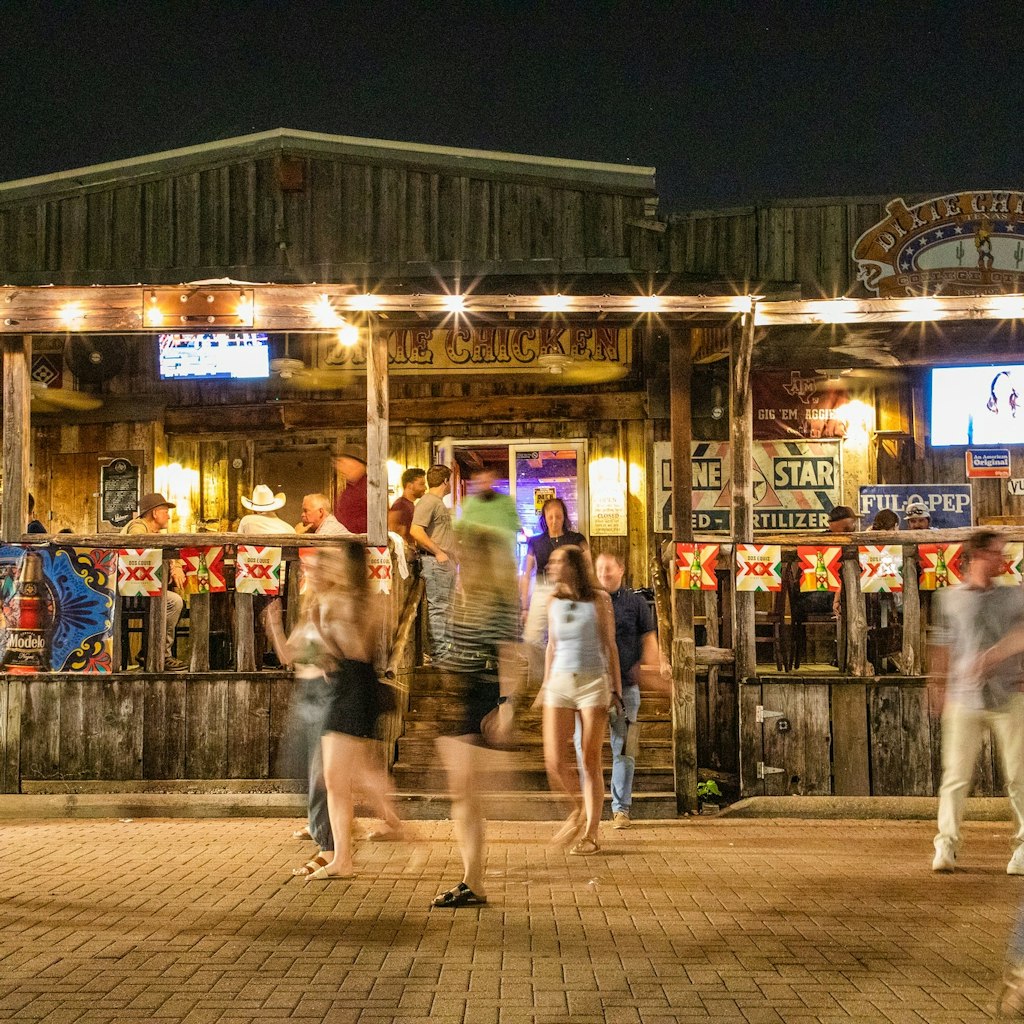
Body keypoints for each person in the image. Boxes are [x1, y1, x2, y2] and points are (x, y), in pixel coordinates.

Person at [432, 526, 521, 909]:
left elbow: (510, 654)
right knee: (463, 794)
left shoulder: (498, 602)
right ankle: (473, 878)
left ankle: (474, 879)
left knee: (468, 792)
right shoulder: (465, 597)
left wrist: (506, 706)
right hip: (461, 693)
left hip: (482, 692)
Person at [306, 542, 403, 880]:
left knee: (336, 776)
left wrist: (322, 624)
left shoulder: (346, 602)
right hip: (353, 683)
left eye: (335, 563)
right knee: (341, 775)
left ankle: (343, 857)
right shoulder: (360, 600)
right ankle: (347, 854)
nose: (328, 568)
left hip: (351, 684)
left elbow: (350, 650)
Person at [930, 529, 1024, 875]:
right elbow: (942, 645)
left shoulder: (1015, 597)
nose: (1003, 560)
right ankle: (946, 844)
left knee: (1019, 776)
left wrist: (997, 655)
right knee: (955, 776)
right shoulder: (948, 598)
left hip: (1010, 693)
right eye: (998, 553)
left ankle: (1023, 847)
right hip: (964, 696)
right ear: (979, 556)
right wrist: (939, 685)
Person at [542, 544, 621, 855]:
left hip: (592, 683)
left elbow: (609, 644)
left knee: (589, 761)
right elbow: (551, 645)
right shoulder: (553, 600)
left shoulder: (599, 600)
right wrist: (546, 683)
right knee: (554, 761)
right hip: (560, 681)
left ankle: (591, 833)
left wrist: (615, 687)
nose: (551, 565)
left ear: (572, 565)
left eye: (557, 561)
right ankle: (578, 809)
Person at [589, 552, 668, 829]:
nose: (604, 574)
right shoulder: (590, 602)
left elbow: (649, 640)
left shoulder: (636, 603)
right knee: (585, 748)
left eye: (608, 568)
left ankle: (621, 809)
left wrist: (657, 668)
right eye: (599, 569)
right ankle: (589, 810)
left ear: (620, 569)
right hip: (594, 687)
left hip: (628, 688)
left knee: (624, 750)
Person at [121, 492, 187, 672]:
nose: (168, 515)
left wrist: (176, 566)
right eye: (165, 511)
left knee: (175, 601)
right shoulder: (137, 526)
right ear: (155, 513)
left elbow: (173, 552)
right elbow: (140, 544)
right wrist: (172, 560)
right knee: (174, 602)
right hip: (130, 591)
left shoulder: (155, 532)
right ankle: (160, 654)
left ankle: (150, 651)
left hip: (144, 589)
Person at [520, 498, 589, 658]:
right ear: (544, 518)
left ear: (564, 516)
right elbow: (526, 574)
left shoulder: (576, 539)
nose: (554, 520)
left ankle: (563, 671)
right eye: (550, 517)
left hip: (570, 588)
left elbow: (588, 566)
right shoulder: (536, 541)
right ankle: (542, 676)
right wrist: (525, 607)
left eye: (558, 516)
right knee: (532, 638)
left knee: (567, 636)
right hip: (542, 587)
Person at [409, 465, 456, 662]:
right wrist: (438, 552)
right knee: (439, 607)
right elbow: (416, 531)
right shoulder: (428, 502)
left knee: (446, 607)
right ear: (445, 481)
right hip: (435, 562)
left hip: (444, 562)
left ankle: (446, 651)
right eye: (450, 480)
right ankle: (440, 654)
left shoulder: (436, 503)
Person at [456, 466, 522, 557]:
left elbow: (513, 527)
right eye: (480, 482)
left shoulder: (506, 502)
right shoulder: (468, 503)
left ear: (493, 480)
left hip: (500, 558)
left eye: (486, 481)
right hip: (475, 559)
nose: (484, 486)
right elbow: (461, 528)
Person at [388, 468, 426, 548]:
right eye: (421, 484)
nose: (425, 488)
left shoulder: (408, 505)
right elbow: (396, 533)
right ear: (410, 486)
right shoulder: (401, 506)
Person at [334, 452, 368, 534]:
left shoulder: (370, 489)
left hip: (363, 542)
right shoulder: (348, 490)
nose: (338, 467)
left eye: (342, 462)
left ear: (356, 463)